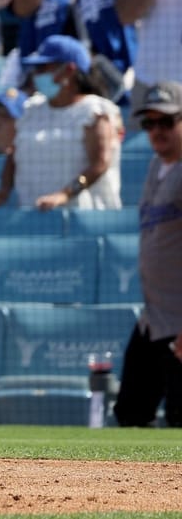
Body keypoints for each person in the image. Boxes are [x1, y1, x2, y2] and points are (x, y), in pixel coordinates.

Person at [113, 81, 182, 428]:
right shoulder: (158, 165)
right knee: (130, 411)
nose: (157, 131)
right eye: (150, 123)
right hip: (155, 317)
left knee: (179, 418)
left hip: (179, 319)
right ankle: (130, 486)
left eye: (167, 122)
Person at [0, 35, 122, 209]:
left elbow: (99, 164)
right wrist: (4, 189)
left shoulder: (95, 111)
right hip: (35, 222)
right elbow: (13, 156)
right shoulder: (31, 109)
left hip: (86, 224)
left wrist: (64, 195)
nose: (36, 74)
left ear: (69, 70)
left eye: (43, 67)